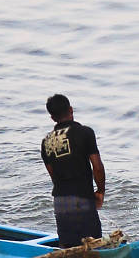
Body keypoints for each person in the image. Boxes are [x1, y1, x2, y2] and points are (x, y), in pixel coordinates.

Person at [41, 94, 106, 247]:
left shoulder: (46, 142)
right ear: (70, 109)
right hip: (82, 199)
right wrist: (100, 191)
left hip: (61, 203)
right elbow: (97, 167)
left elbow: (53, 175)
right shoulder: (85, 132)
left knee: (69, 250)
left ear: (52, 118)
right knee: (94, 247)